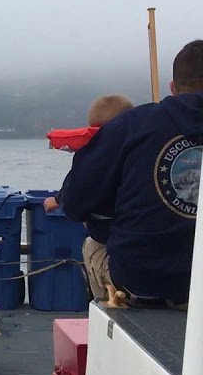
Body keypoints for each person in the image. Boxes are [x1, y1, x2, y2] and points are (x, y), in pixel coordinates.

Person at [60, 40, 203, 309]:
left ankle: (115, 320)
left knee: (93, 245)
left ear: (173, 87)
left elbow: (74, 204)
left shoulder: (131, 126)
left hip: (137, 284)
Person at [42, 94, 134, 303]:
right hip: (173, 255)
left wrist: (59, 199)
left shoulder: (99, 160)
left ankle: (106, 309)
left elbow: (75, 205)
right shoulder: (146, 151)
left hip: (125, 258)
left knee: (92, 246)